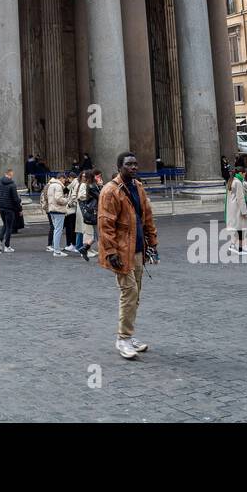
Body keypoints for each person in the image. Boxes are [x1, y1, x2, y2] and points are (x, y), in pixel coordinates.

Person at [98, 152, 159, 360]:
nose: (134, 167)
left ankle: (128, 335)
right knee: (129, 293)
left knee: (136, 295)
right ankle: (123, 338)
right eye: (129, 164)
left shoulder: (138, 187)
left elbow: (147, 217)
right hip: (122, 250)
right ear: (118, 167)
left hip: (138, 249)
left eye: (135, 164)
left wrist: (153, 242)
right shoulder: (110, 191)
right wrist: (111, 251)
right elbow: (105, 225)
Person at [224, 168, 247, 255]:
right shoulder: (238, 182)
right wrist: (245, 213)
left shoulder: (231, 181)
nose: (245, 175)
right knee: (241, 229)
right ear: (241, 173)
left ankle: (234, 246)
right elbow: (241, 199)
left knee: (238, 229)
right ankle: (240, 249)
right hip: (238, 209)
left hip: (232, 209)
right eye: (244, 174)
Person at [0, 168, 22, 253]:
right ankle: (7, 246)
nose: (12, 176)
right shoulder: (12, 185)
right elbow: (16, 199)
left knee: (5, 225)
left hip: (1, 207)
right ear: (10, 174)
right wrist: (20, 209)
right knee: (9, 227)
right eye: (12, 175)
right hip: (10, 208)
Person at [75, 170, 101, 260]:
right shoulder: (91, 185)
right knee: (99, 235)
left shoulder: (89, 185)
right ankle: (103, 255)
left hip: (92, 211)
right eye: (97, 176)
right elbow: (100, 196)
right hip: (95, 211)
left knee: (95, 235)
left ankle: (84, 248)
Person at [41, 172, 69, 256]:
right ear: (61, 178)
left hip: (51, 209)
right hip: (58, 210)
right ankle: (56, 251)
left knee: (56, 229)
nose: (65, 181)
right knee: (58, 230)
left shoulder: (51, 185)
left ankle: (55, 247)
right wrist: (67, 200)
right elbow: (58, 198)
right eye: (64, 179)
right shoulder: (58, 186)